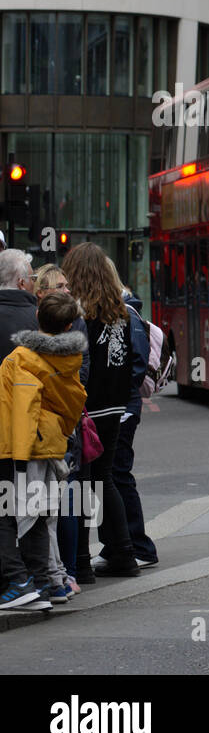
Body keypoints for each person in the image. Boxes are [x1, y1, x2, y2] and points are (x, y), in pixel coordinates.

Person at [0, 293, 87, 610]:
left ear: (37, 316)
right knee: (40, 514)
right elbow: (74, 404)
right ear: (69, 326)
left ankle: (26, 583)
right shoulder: (69, 362)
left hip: (23, 447)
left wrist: (19, 461)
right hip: (52, 443)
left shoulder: (19, 359)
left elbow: (21, 410)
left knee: (16, 513)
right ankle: (48, 583)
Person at [62, 242, 139, 578]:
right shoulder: (119, 311)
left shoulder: (80, 314)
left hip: (89, 407)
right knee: (103, 480)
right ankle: (123, 552)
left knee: (81, 484)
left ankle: (81, 561)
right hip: (115, 406)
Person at [92, 285, 156, 571]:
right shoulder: (114, 314)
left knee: (117, 474)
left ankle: (139, 545)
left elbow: (137, 364)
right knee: (109, 476)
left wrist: (119, 396)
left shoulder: (126, 314)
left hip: (123, 408)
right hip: (118, 406)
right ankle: (116, 545)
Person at [0, 249, 41, 609]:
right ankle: (43, 579)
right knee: (34, 505)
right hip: (36, 433)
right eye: (33, 277)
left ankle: (18, 579)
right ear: (22, 281)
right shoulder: (40, 318)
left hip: (3, 432)